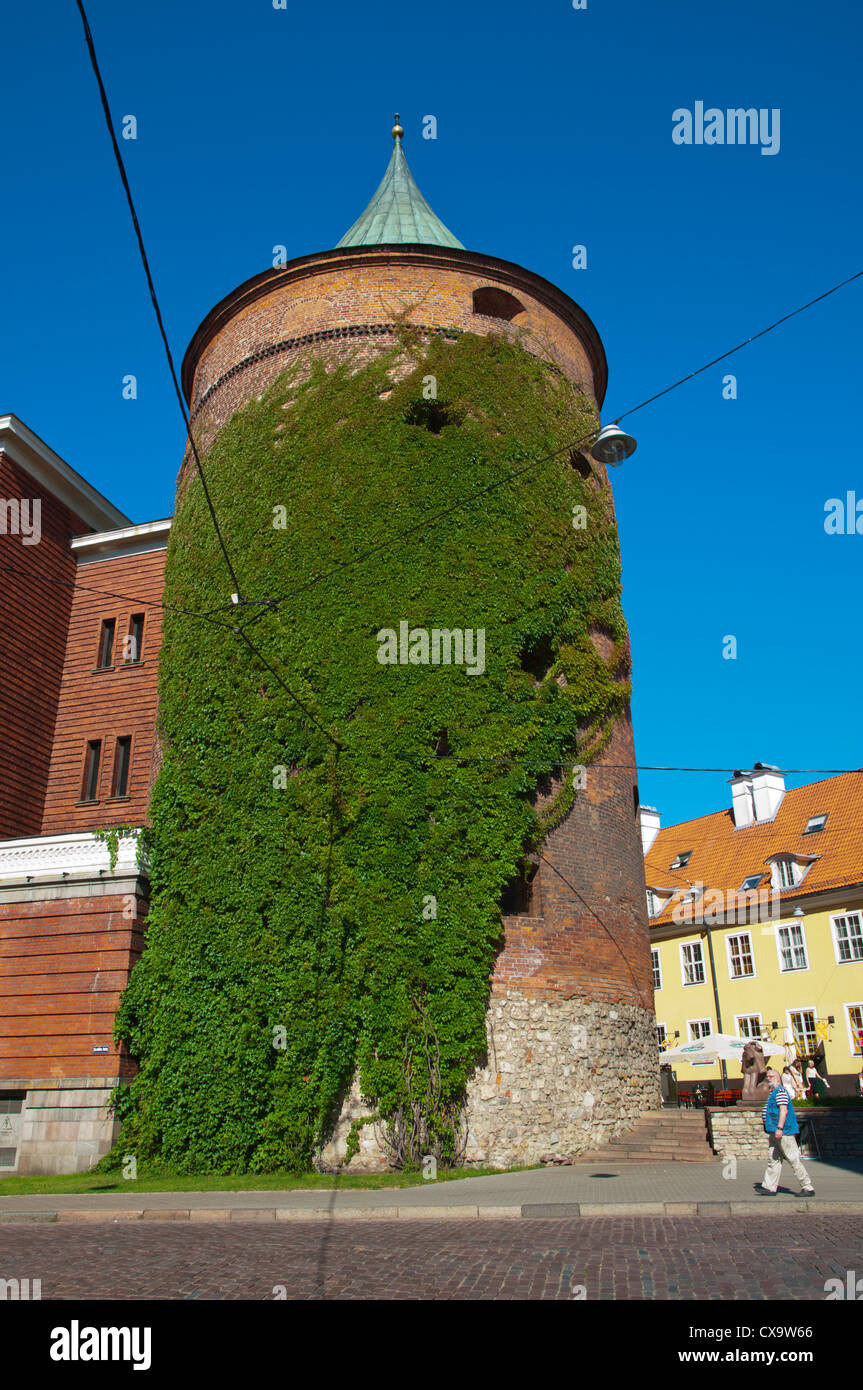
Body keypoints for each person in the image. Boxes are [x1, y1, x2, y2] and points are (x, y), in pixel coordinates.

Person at [757, 1067, 815, 1198]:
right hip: (774, 1132)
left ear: (778, 1079)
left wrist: (780, 1128)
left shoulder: (780, 1092)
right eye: (767, 1076)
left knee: (793, 1159)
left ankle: (807, 1186)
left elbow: (784, 1110)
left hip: (784, 1132)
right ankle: (769, 1187)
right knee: (773, 1159)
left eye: (771, 1076)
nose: (768, 1078)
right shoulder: (773, 1093)